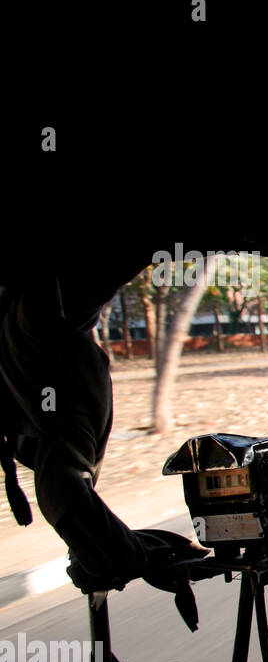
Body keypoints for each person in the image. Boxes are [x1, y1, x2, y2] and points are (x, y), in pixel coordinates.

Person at [0, 258, 206, 603]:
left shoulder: (35, 337)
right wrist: (130, 556)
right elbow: (61, 482)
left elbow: (61, 481)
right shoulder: (52, 353)